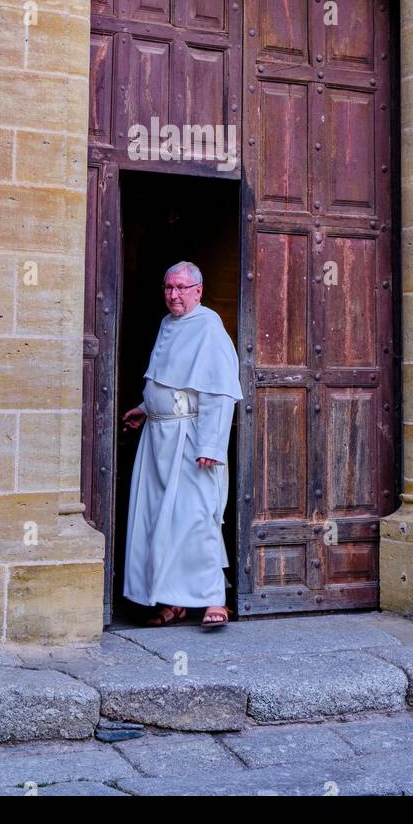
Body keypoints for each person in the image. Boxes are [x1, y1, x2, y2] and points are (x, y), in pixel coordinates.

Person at [122, 262, 242, 629]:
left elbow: (219, 393)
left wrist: (211, 445)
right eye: (168, 287)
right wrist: (145, 408)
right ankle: (173, 601)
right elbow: (171, 381)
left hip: (191, 443)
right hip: (157, 439)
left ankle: (212, 600)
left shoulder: (209, 328)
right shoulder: (167, 324)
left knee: (196, 517)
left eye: (181, 288)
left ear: (198, 290)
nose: (173, 295)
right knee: (161, 521)